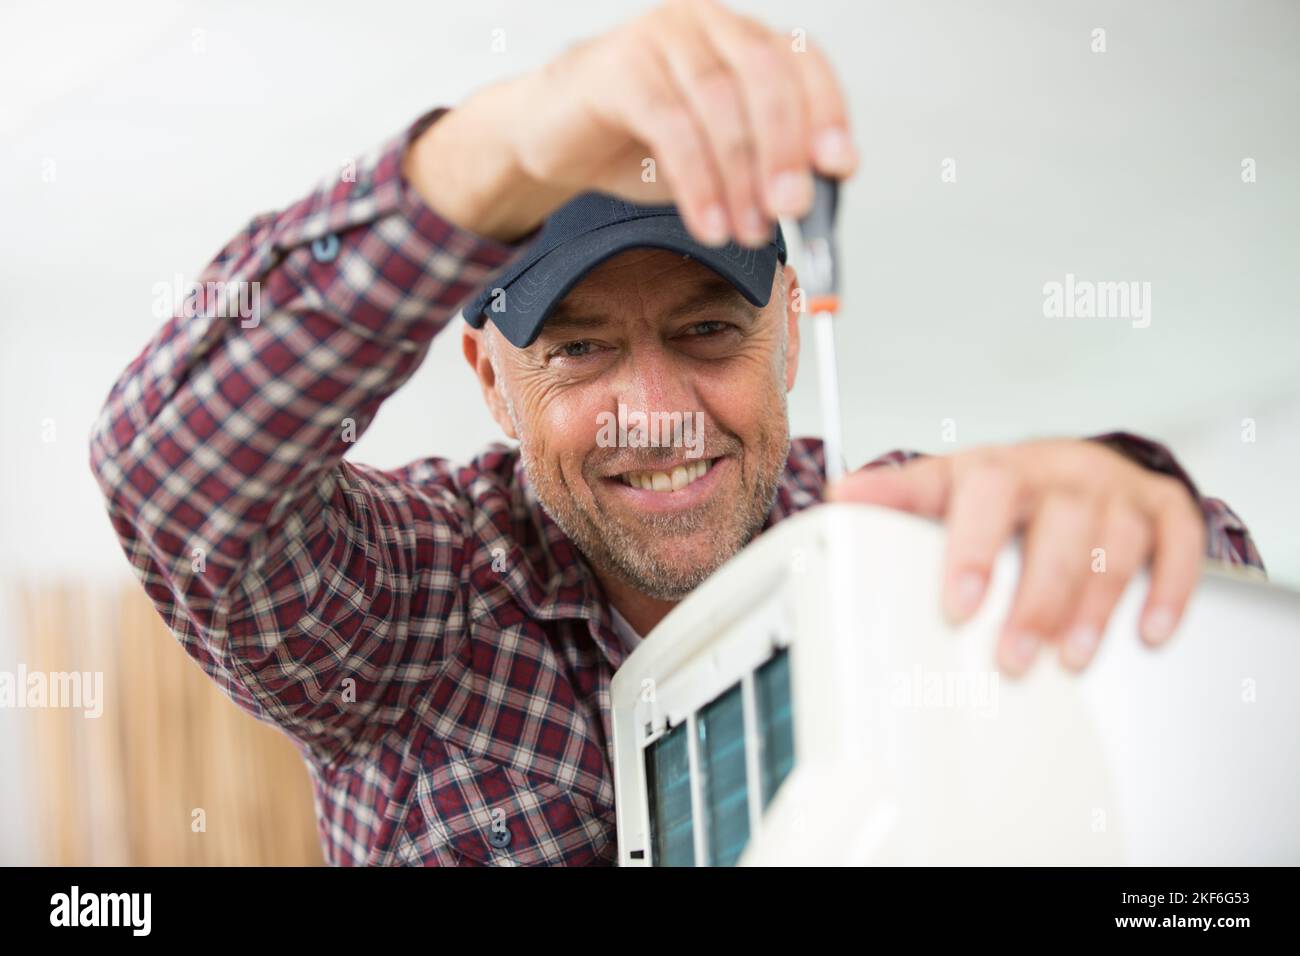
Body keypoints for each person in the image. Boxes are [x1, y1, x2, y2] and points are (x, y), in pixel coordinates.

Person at [89, 0, 1262, 865]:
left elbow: (1215, 625)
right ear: (492, 386)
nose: (655, 409)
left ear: (790, 332)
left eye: (706, 329)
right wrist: (501, 144)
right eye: (582, 349)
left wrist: (1136, 513)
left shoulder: (890, 540)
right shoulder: (420, 600)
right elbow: (172, 475)